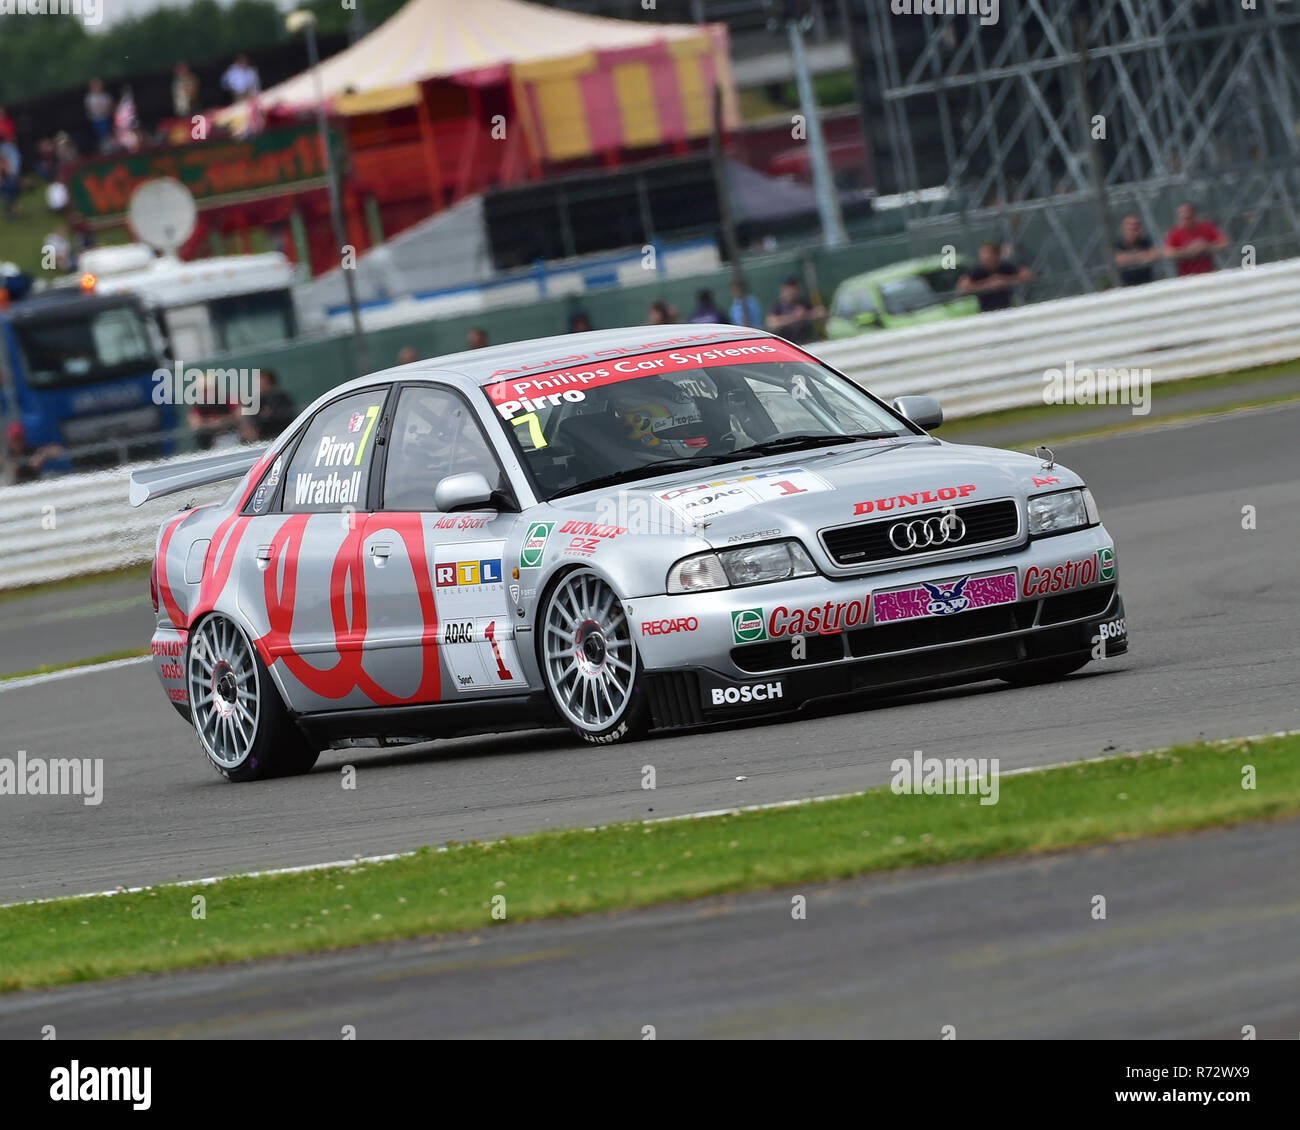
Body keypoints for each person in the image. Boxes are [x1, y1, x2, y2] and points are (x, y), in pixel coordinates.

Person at [958, 243, 1033, 312]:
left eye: (988, 258)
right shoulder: (978, 271)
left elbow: (1027, 275)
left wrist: (1004, 281)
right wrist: (988, 285)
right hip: (986, 310)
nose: (985, 260)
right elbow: (963, 286)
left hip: (1006, 308)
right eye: (983, 258)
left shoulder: (1005, 267)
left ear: (996, 256)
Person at [1164, 202, 1228, 277]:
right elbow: (1168, 253)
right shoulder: (1175, 232)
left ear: (1194, 215)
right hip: (1186, 277)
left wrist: (1207, 247)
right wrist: (1187, 251)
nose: (1185, 221)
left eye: (1188, 217)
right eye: (1183, 218)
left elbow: (1224, 243)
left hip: (1208, 273)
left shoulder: (1206, 227)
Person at [239, 370, 296, 442]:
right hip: (262, 440)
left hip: (282, 437)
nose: (258, 384)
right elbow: (252, 420)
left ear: (269, 382)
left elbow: (286, 416)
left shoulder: (282, 398)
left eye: (262, 381)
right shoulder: (256, 401)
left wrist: (268, 415)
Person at [765, 275, 824, 343]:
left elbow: (821, 313)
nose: (793, 291)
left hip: (806, 341)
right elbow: (771, 323)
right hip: (788, 343)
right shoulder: (778, 305)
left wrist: (806, 315)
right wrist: (794, 317)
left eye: (795, 287)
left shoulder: (803, 302)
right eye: (790, 288)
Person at [189, 374, 240, 451]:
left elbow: (240, 416)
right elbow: (195, 424)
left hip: (232, 438)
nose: (206, 393)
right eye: (203, 391)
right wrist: (212, 423)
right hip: (209, 445)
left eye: (208, 390)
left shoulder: (227, 400)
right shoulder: (198, 406)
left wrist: (222, 421)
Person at [1113, 215, 1161, 286]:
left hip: (1148, 282)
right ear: (1124, 228)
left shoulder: (1146, 241)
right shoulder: (1118, 244)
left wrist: (1129, 257)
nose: (1132, 229)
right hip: (1127, 286)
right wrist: (1143, 256)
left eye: (1136, 226)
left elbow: (1154, 255)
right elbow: (1119, 260)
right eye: (1129, 226)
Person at [84, 79, 114, 147]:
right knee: (103, 136)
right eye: (95, 86)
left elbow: (111, 106)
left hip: (108, 118)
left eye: (99, 85)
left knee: (110, 134)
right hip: (97, 121)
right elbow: (94, 109)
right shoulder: (89, 97)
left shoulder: (106, 96)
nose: (98, 87)